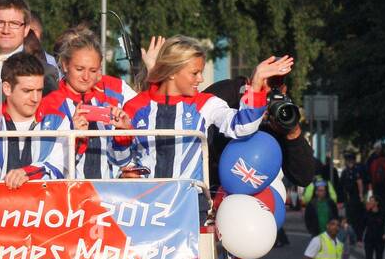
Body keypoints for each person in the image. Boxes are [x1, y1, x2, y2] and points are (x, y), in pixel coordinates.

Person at [115, 37, 294, 189]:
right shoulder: (135, 106)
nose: (201, 79)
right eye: (195, 73)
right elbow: (118, 160)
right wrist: (123, 144)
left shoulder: (205, 103)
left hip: (187, 205)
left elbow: (242, 127)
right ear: (171, 73)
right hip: (143, 202)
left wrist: (256, 84)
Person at [37, 26, 137, 180]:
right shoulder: (50, 104)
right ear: (64, 65)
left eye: (93, 70)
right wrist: (75, 138)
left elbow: (121, 161)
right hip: (67, 195)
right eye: (79, 69)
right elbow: (49, 166)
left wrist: (122, 135)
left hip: (106, 196)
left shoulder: (108, 101)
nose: (86, 77)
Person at [0, 53, 67, 187]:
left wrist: (29, 173)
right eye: (27, 91)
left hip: (41, 206)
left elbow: (60, 171)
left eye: (39, 90)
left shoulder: (57, 121)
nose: (35, 98)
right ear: (7, 88)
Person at [207, 69, 317, 192]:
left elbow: (304, 178)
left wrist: (292, 133)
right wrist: (252, 110)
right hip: (211, 185)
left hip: (254, 194)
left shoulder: (279, 115)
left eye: (276, 87)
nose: (268, 92)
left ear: (283, 90)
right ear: (249, 83)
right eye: (262, 84)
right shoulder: (229, 92)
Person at [361, 195, 385, 259]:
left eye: (372, 201)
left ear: (376, 203)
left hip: (380, 240)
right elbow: (363, 224)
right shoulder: (367, 212)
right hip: (369, 239)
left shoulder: (382, 213)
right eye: (370, 201)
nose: (370, 202)